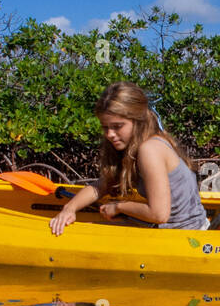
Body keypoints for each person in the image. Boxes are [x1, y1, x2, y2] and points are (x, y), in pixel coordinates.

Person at [49, 82, 209, 234]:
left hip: (183, 236)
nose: (110, 134)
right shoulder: (138, 145)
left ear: (137, 121)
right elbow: (102, 185)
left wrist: (119, 207)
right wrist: (69, 208)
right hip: (169, 230)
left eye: (117, 126)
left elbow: (159, 215)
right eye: (106, 127)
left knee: (84, 234)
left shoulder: (150, 150)